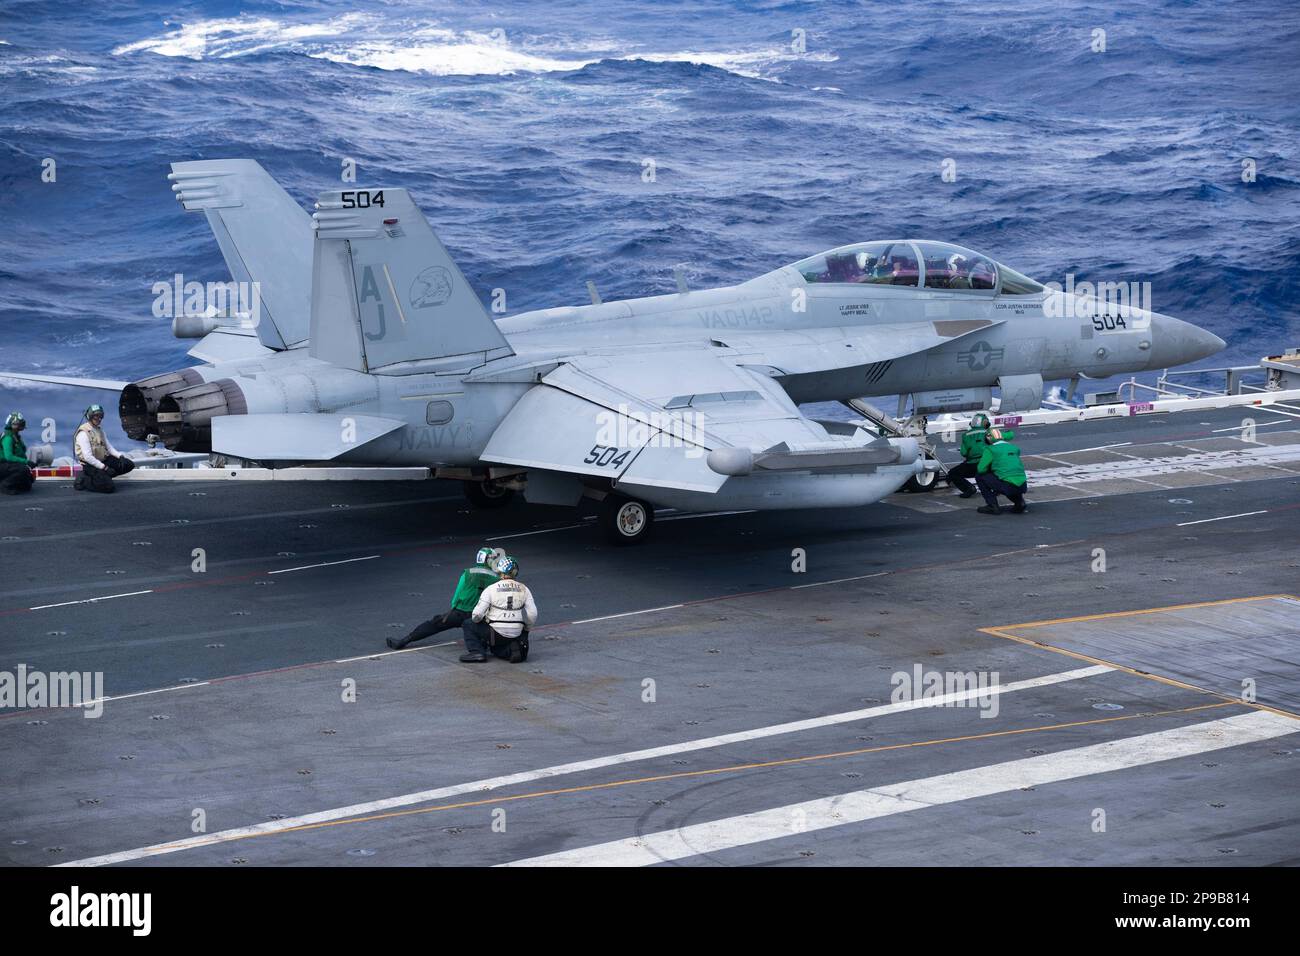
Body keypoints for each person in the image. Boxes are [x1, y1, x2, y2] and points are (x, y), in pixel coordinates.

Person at [387, 547, 501, 650]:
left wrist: (454, 609)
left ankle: (404, 640)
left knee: (434, 624)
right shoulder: (496, 577)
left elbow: (457, 594)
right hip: (479, 616)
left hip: (459, 612)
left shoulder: (467, 573)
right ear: (489, 560)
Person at [461, 556, 537, 664]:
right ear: (515, 572)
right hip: (516, 632)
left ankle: (477, 652)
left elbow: (477, 614)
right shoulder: (524, 589)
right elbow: (533, 614)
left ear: (500, 571)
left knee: (468, 623)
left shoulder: (491, 589)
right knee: (496, 649)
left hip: (495, 633)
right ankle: (512, 649)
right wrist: (526, 630)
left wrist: (479, 622)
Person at [73, 404, 134, 493]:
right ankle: (84, 480)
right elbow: (88, 457)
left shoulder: (99, 430)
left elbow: (109, 447)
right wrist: (105, 468)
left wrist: (120, 456)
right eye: (96, 416)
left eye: (101, 416)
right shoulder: (83, 433)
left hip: (103, 460)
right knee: (109, 488)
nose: (99, 419)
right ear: (90, 417)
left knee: (128, 464)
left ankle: (103, 477)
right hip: (90, 465)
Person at [975, 426, 1029, 515]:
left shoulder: (990, 449)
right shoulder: (1013, 448)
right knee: (1008, 476)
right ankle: (1020, 502)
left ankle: (992, 506)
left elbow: (981, 469)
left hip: (1007, 485)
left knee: (980, 476)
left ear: (988, 438)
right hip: (1023, 485)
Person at [946, 411, 992, 498]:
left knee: (953, 473)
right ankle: (995, 488)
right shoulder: (989, 433)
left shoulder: (966, 435)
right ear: (986, 424)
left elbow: (963, 452)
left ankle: (969, 488)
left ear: (972, 423)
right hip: (988, 464)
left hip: (972, 465)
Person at [0, 412, 36, 495]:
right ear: (12, 424)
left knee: (27, 485)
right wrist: (26, 462)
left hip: (8, 466)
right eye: (18, 423)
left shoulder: (15, 436)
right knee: (23, 470)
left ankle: (5, 480)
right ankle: (5, 485)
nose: (20, 425)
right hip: (2, 465)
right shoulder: (8, 437)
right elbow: (9, 457)